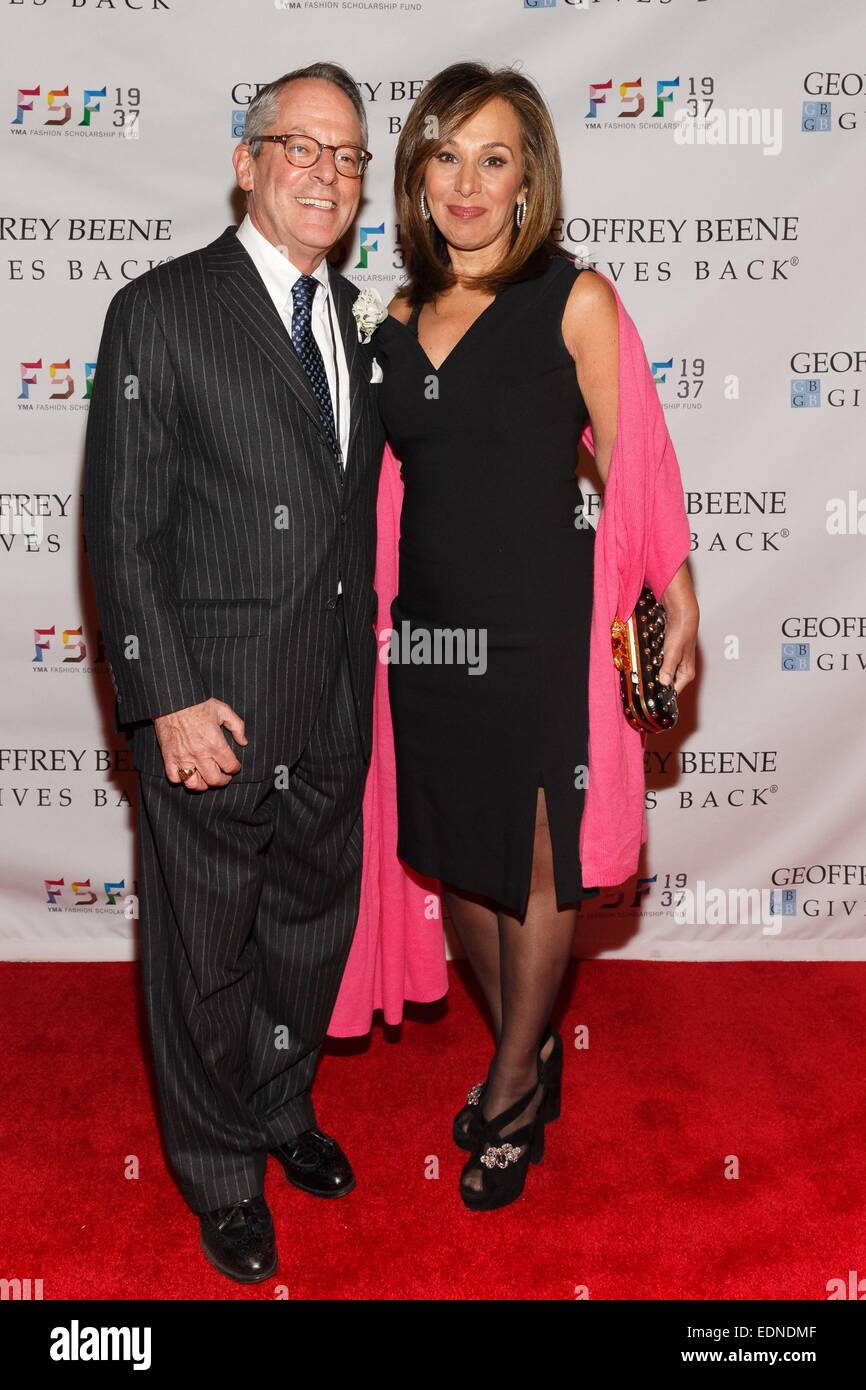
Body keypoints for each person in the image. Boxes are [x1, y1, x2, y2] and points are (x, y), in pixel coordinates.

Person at [368, 62, 699, 1210]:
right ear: (417, 177)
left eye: (492, 158)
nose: (465, 182)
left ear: (526, 180)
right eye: (445, 156)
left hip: (546, 631)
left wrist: (676, 592)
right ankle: (533, 1043)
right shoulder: (396, 318)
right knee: (460, 859)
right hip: (426, 640)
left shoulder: (574, 299)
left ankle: (512, 1086)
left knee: (541, 862)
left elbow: (638, 463)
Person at [83, 63, 384, 1280]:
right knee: (203, 950)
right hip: (210, 702)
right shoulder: (159, 310)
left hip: (328, 701)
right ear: (245, 162)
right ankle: (216, 1169)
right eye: (298, 146)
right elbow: (123, 527)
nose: (325, 170)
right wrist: (160, 697)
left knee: (309, 930)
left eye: (349, 155)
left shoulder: (351, 315)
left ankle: (276, 1103)